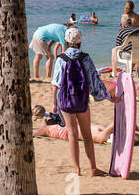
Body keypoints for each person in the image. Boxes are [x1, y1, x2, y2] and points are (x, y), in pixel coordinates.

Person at [50, 27, 120, 177]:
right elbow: (95, 82)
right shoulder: (85, 58)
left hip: (66, 101)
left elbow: (55, 84)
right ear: (80, 41)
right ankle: (93, 168)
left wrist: (54, 105)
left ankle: (77, 169)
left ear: (67, 41)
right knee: (87, 135)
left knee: (72, 135)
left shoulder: (61, 59)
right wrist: (109, 97)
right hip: (81, 100)